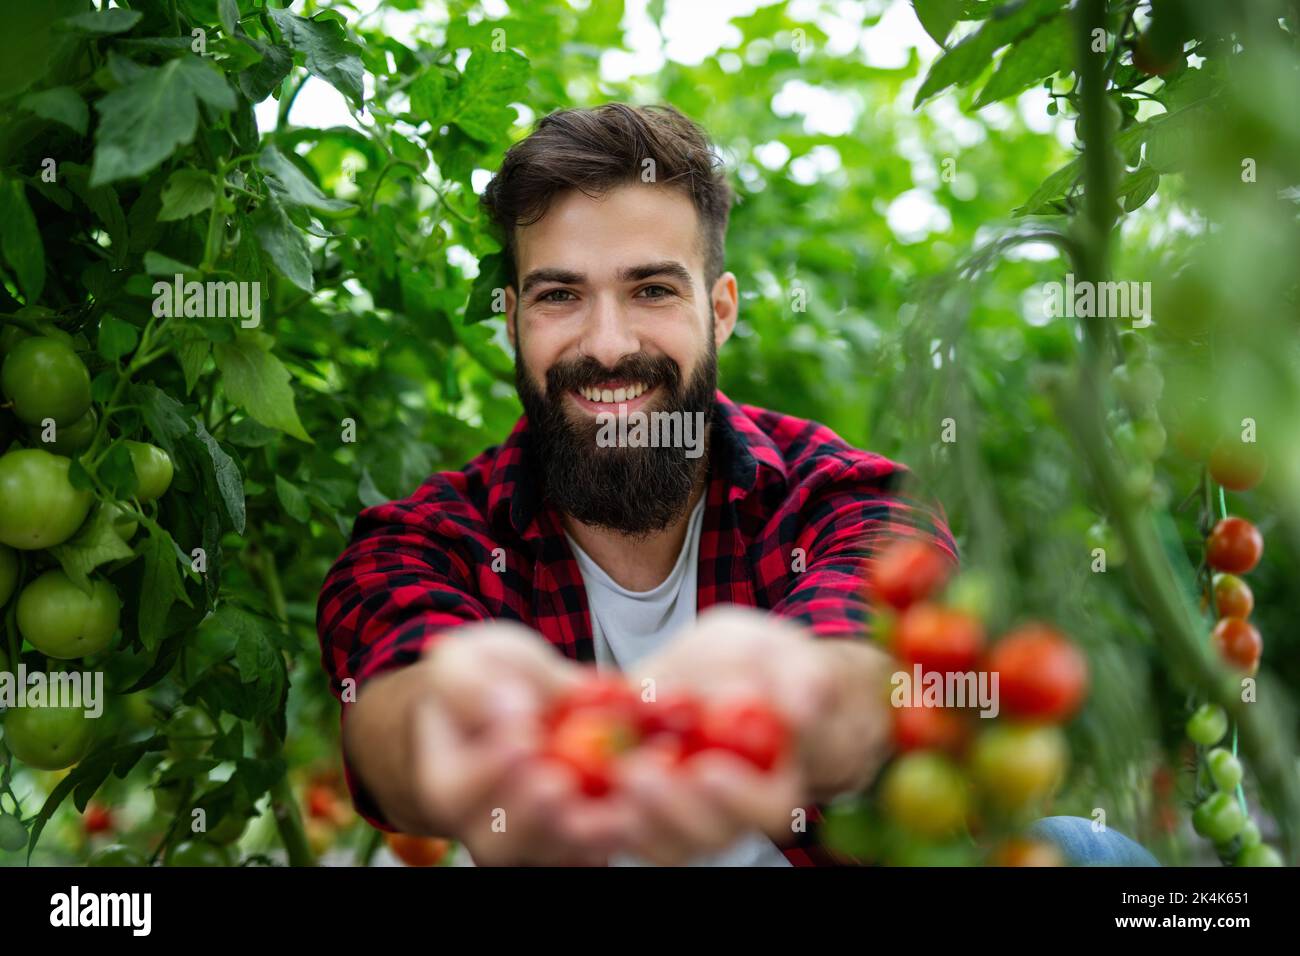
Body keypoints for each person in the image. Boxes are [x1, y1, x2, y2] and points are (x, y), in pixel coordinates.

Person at [315, 102, 1156, 868]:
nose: (607, 345)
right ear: (512, 319)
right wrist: (452, 730)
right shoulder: (426, 541)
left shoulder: (845, 498)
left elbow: (867, 655)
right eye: (560, 295)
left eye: (650, 289)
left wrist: (800, 698)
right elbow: (393, 700)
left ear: (719, 310)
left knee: (1084, 852)